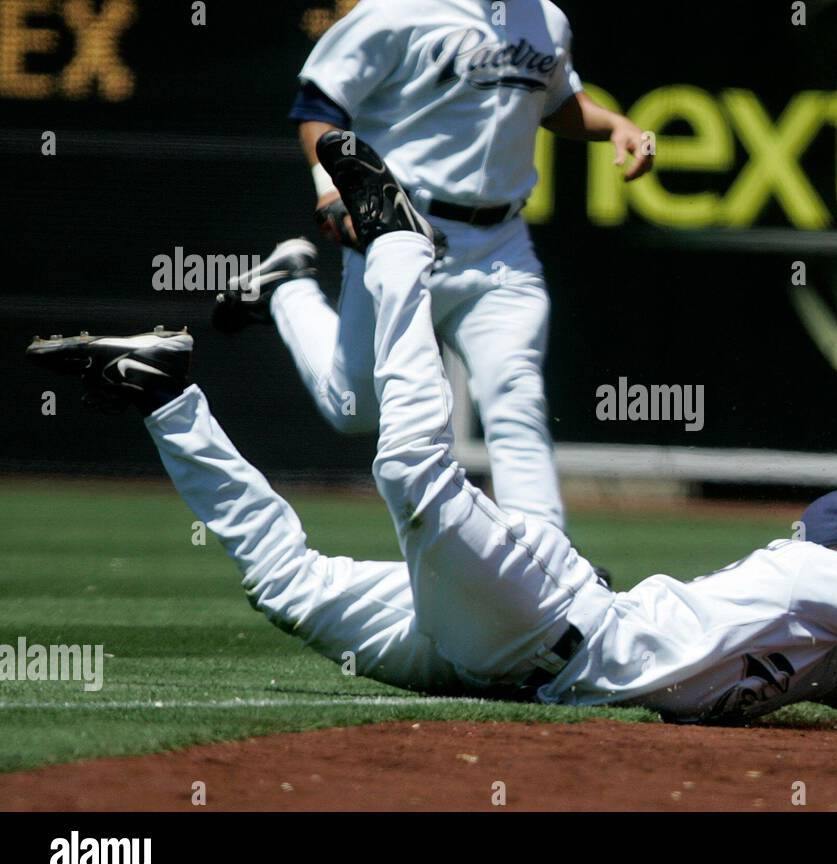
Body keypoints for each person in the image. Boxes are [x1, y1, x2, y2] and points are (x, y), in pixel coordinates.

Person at [26, 134, 837, 744]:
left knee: (287, 584)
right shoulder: (821, 573)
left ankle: (165, 395)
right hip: (548, 616)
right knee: (410, 471)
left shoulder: (827, 646)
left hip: (484, 653)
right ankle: (398, 245)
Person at [212, 0, 653, 533]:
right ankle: (287, 289)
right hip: (403, 230)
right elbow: (319, 103)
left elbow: (557, 102)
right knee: (354, 409)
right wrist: (331, 190)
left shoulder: (548, 19)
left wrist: (615, 126)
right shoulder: (398, 10)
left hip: (502, 245)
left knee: (516, 396)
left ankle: (549, 559)